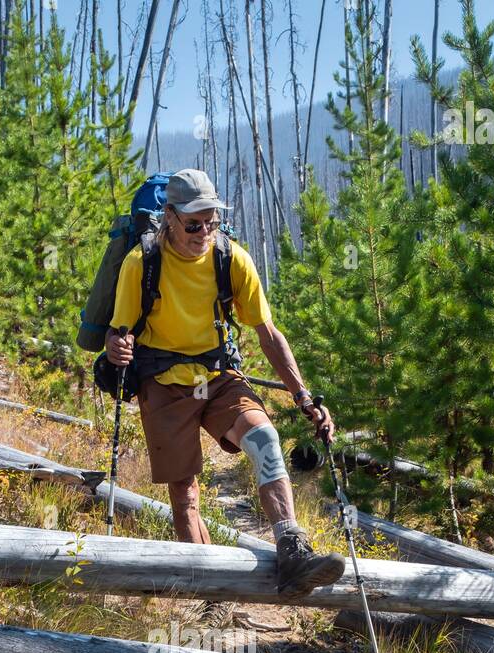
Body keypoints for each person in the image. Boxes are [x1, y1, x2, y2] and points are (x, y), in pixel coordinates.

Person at [106, 168, 346, 597]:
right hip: (162, 383)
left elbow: (268, 334)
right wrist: (115, 350)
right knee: (185, 494)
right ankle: (211, 593)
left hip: (217, 376)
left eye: (211, 221)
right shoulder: (141, 263)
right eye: (194, 223)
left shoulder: (230, 257)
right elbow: (118, 330)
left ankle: (291, 548)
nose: (203, 231)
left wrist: (303, 397)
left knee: (264, 440)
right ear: (170, 216)